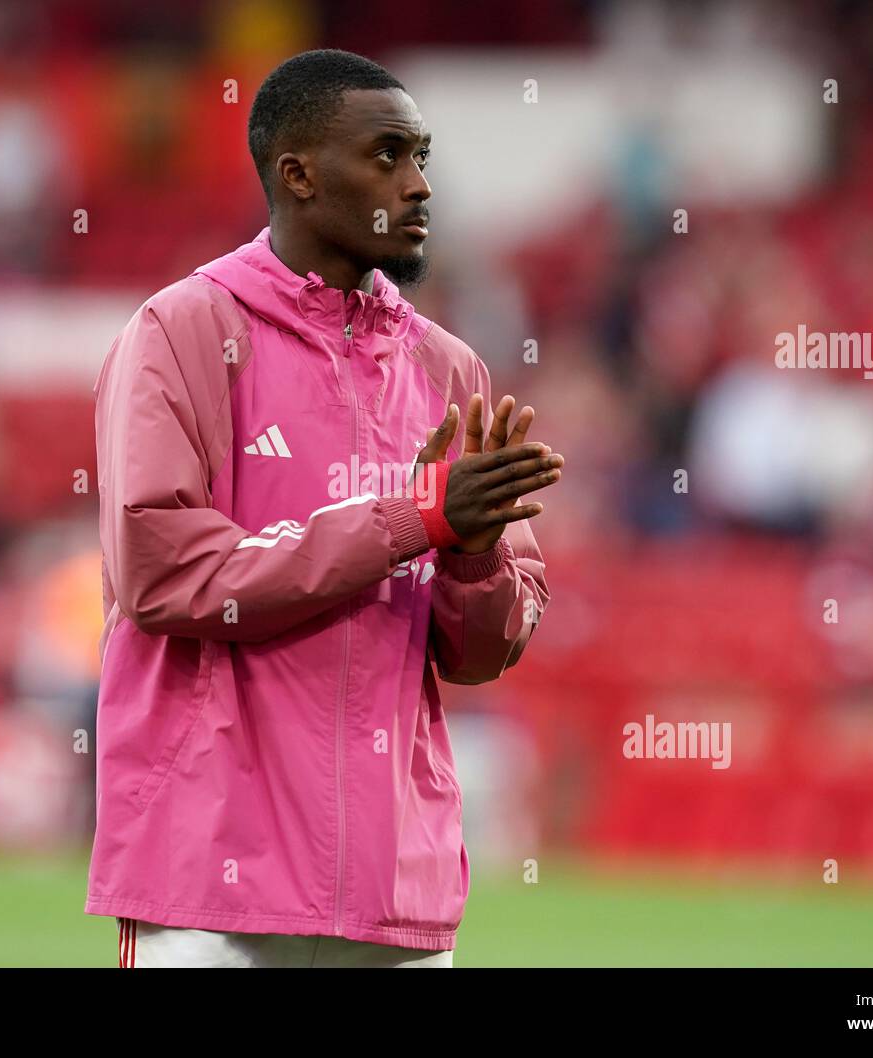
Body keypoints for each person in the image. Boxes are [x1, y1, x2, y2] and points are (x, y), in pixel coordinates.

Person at [87, 48, 564, 968]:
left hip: (397, 894)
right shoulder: (180, 334)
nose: (421, 184)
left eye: (422, 154)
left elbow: (482, 653)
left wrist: (470, 552)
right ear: (295, 174)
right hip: (210, 891)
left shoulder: (449, 371)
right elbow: (164, 576)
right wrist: (412, 521)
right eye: (388, 156)